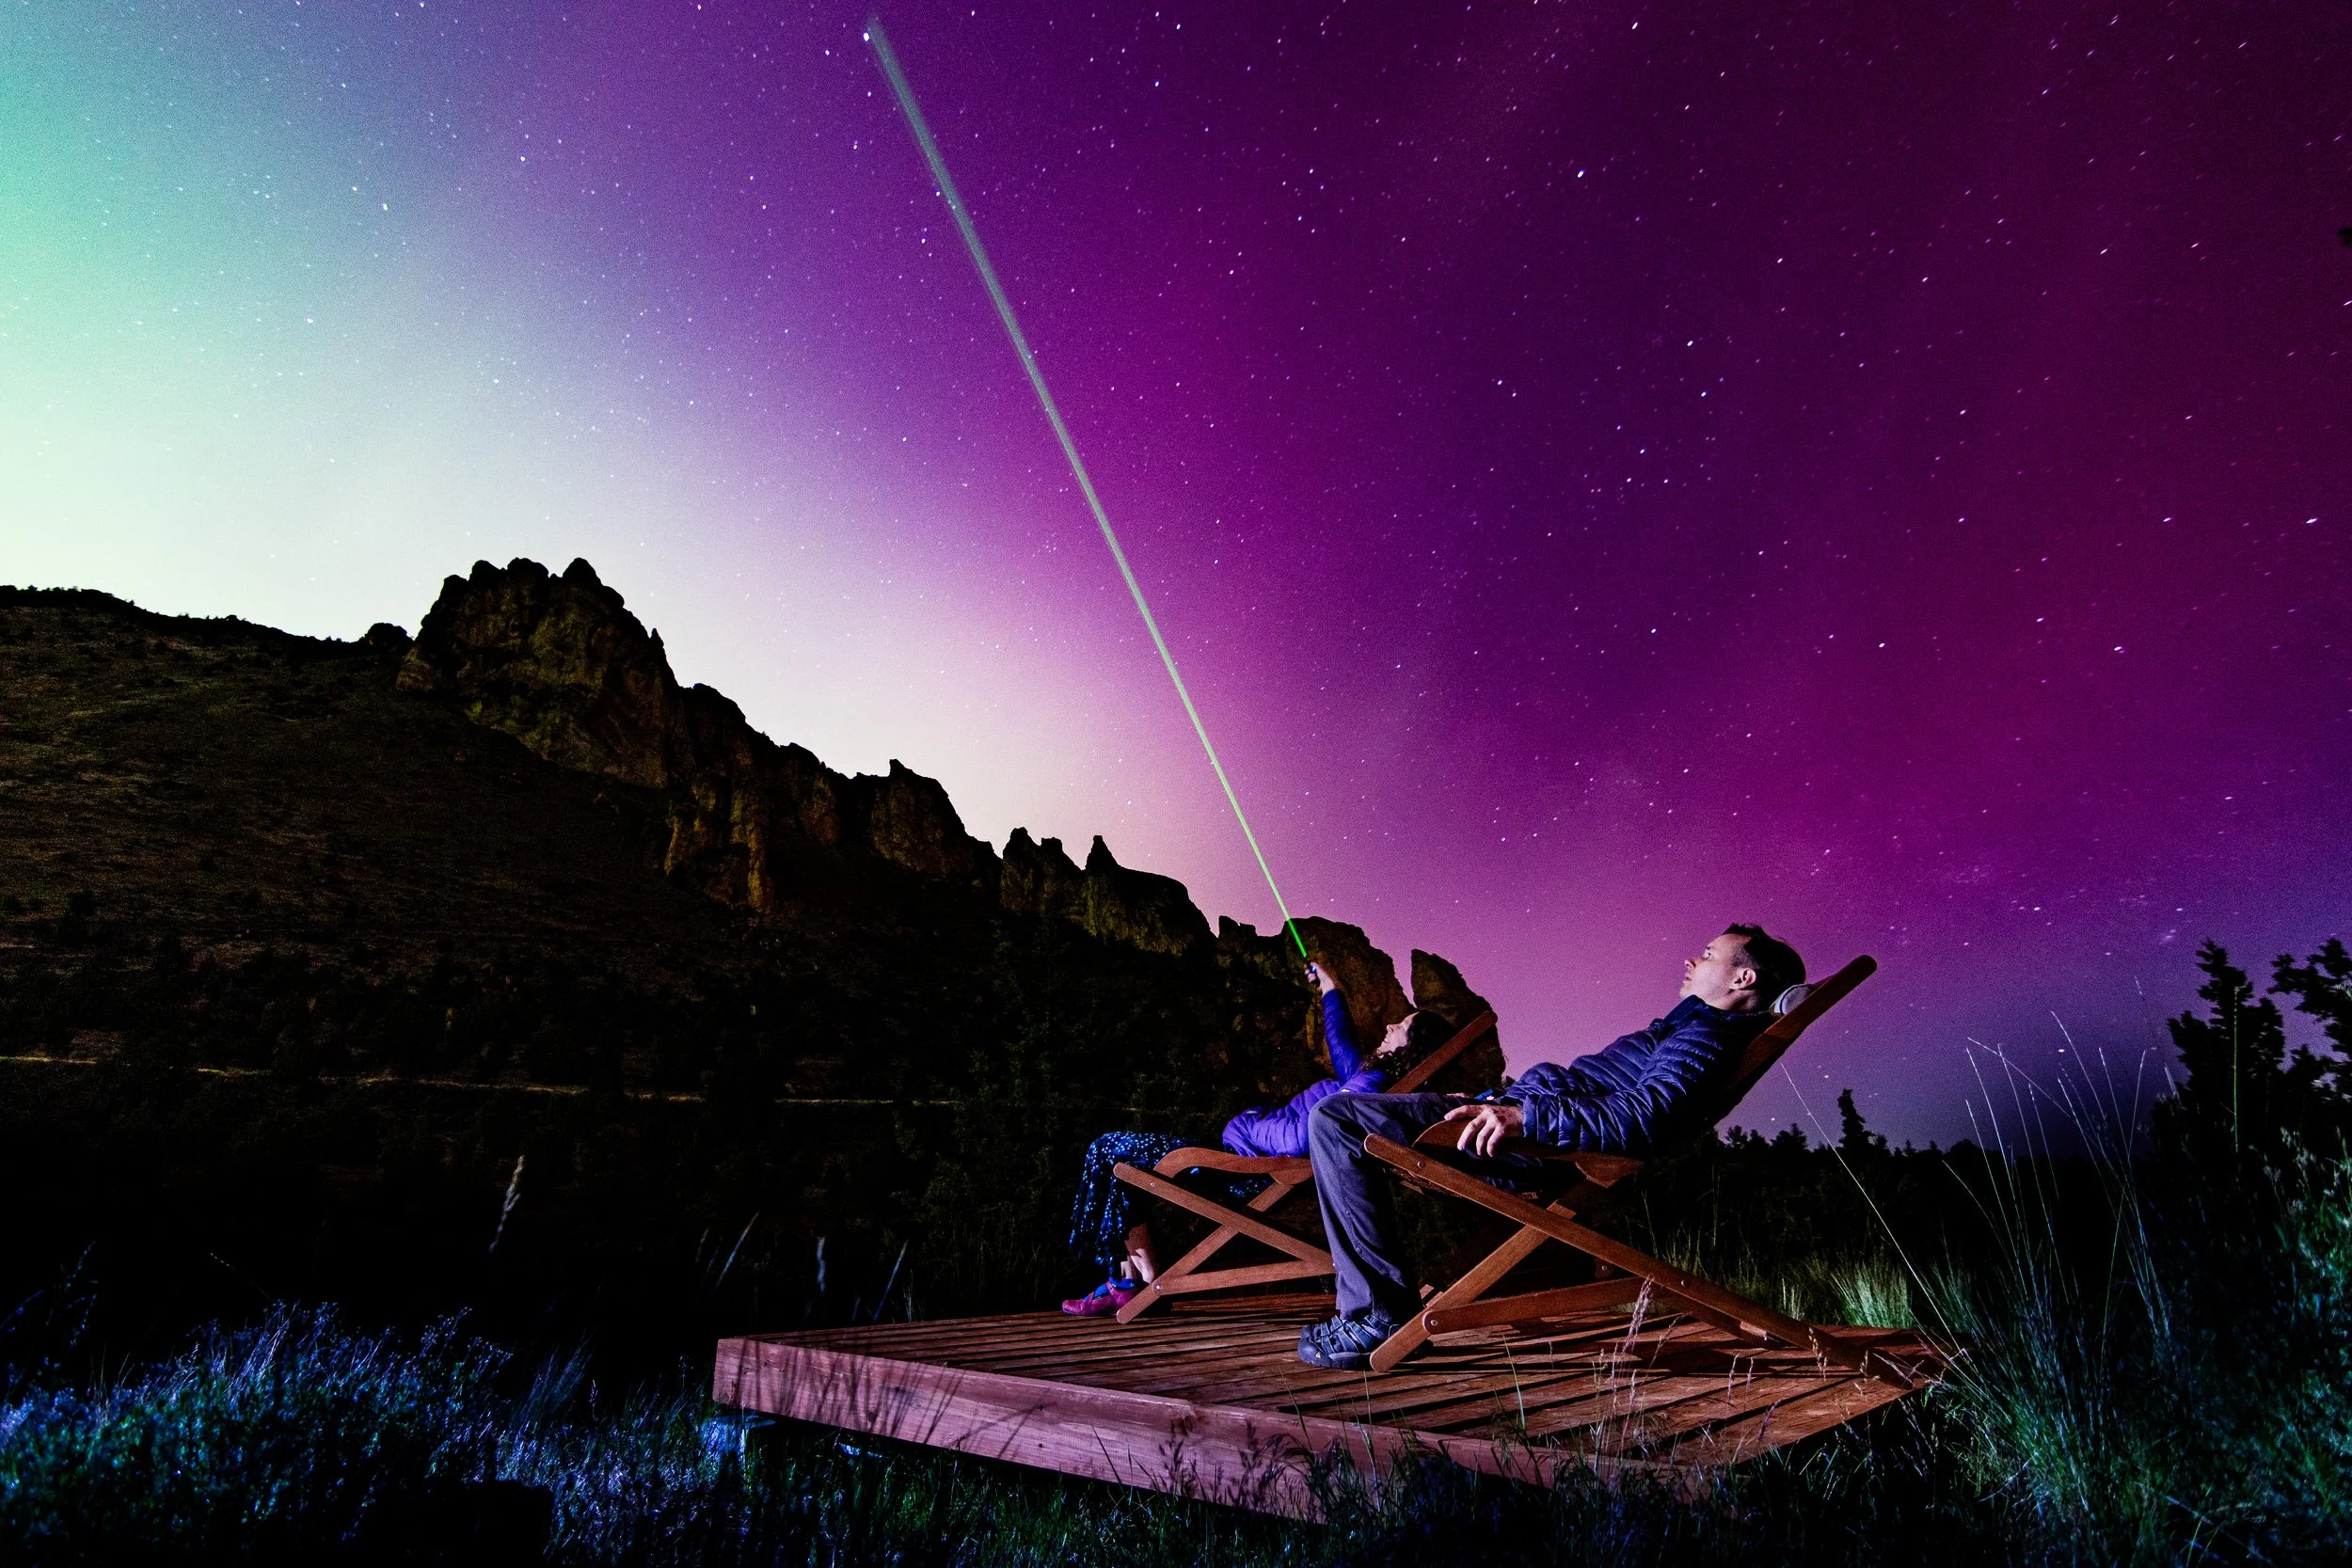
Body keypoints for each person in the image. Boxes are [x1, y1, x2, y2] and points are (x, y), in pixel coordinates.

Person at [1292, 924, 1804, 1369]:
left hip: (1531, 1142)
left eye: (1710, 955)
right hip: (1510, 1114)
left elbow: (1641, 1118)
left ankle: (1375, 1314)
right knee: (1341, 1117)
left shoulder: (1704, 1038)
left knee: (1336, 1120)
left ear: (1743, 979)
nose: (1692, 960)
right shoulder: (1686, 1028)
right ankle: (1376, 1306)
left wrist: (1523, 1117)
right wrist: (1501, 1102)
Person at [1060, 962, 1455, 1316]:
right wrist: (1330, 988)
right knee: (1121, 1166)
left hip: (1245, 1169)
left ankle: (1127, 1279)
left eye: (1403, 1026)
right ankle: (1133, 1280)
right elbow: (1341, 1040)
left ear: (1413, 1049)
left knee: (1106, 1147)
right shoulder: (1367, 1079)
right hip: (1241, 1158)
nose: (1390, 1026)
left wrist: (1251, 1123)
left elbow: (1303, 1138)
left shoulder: (1370, 1088)